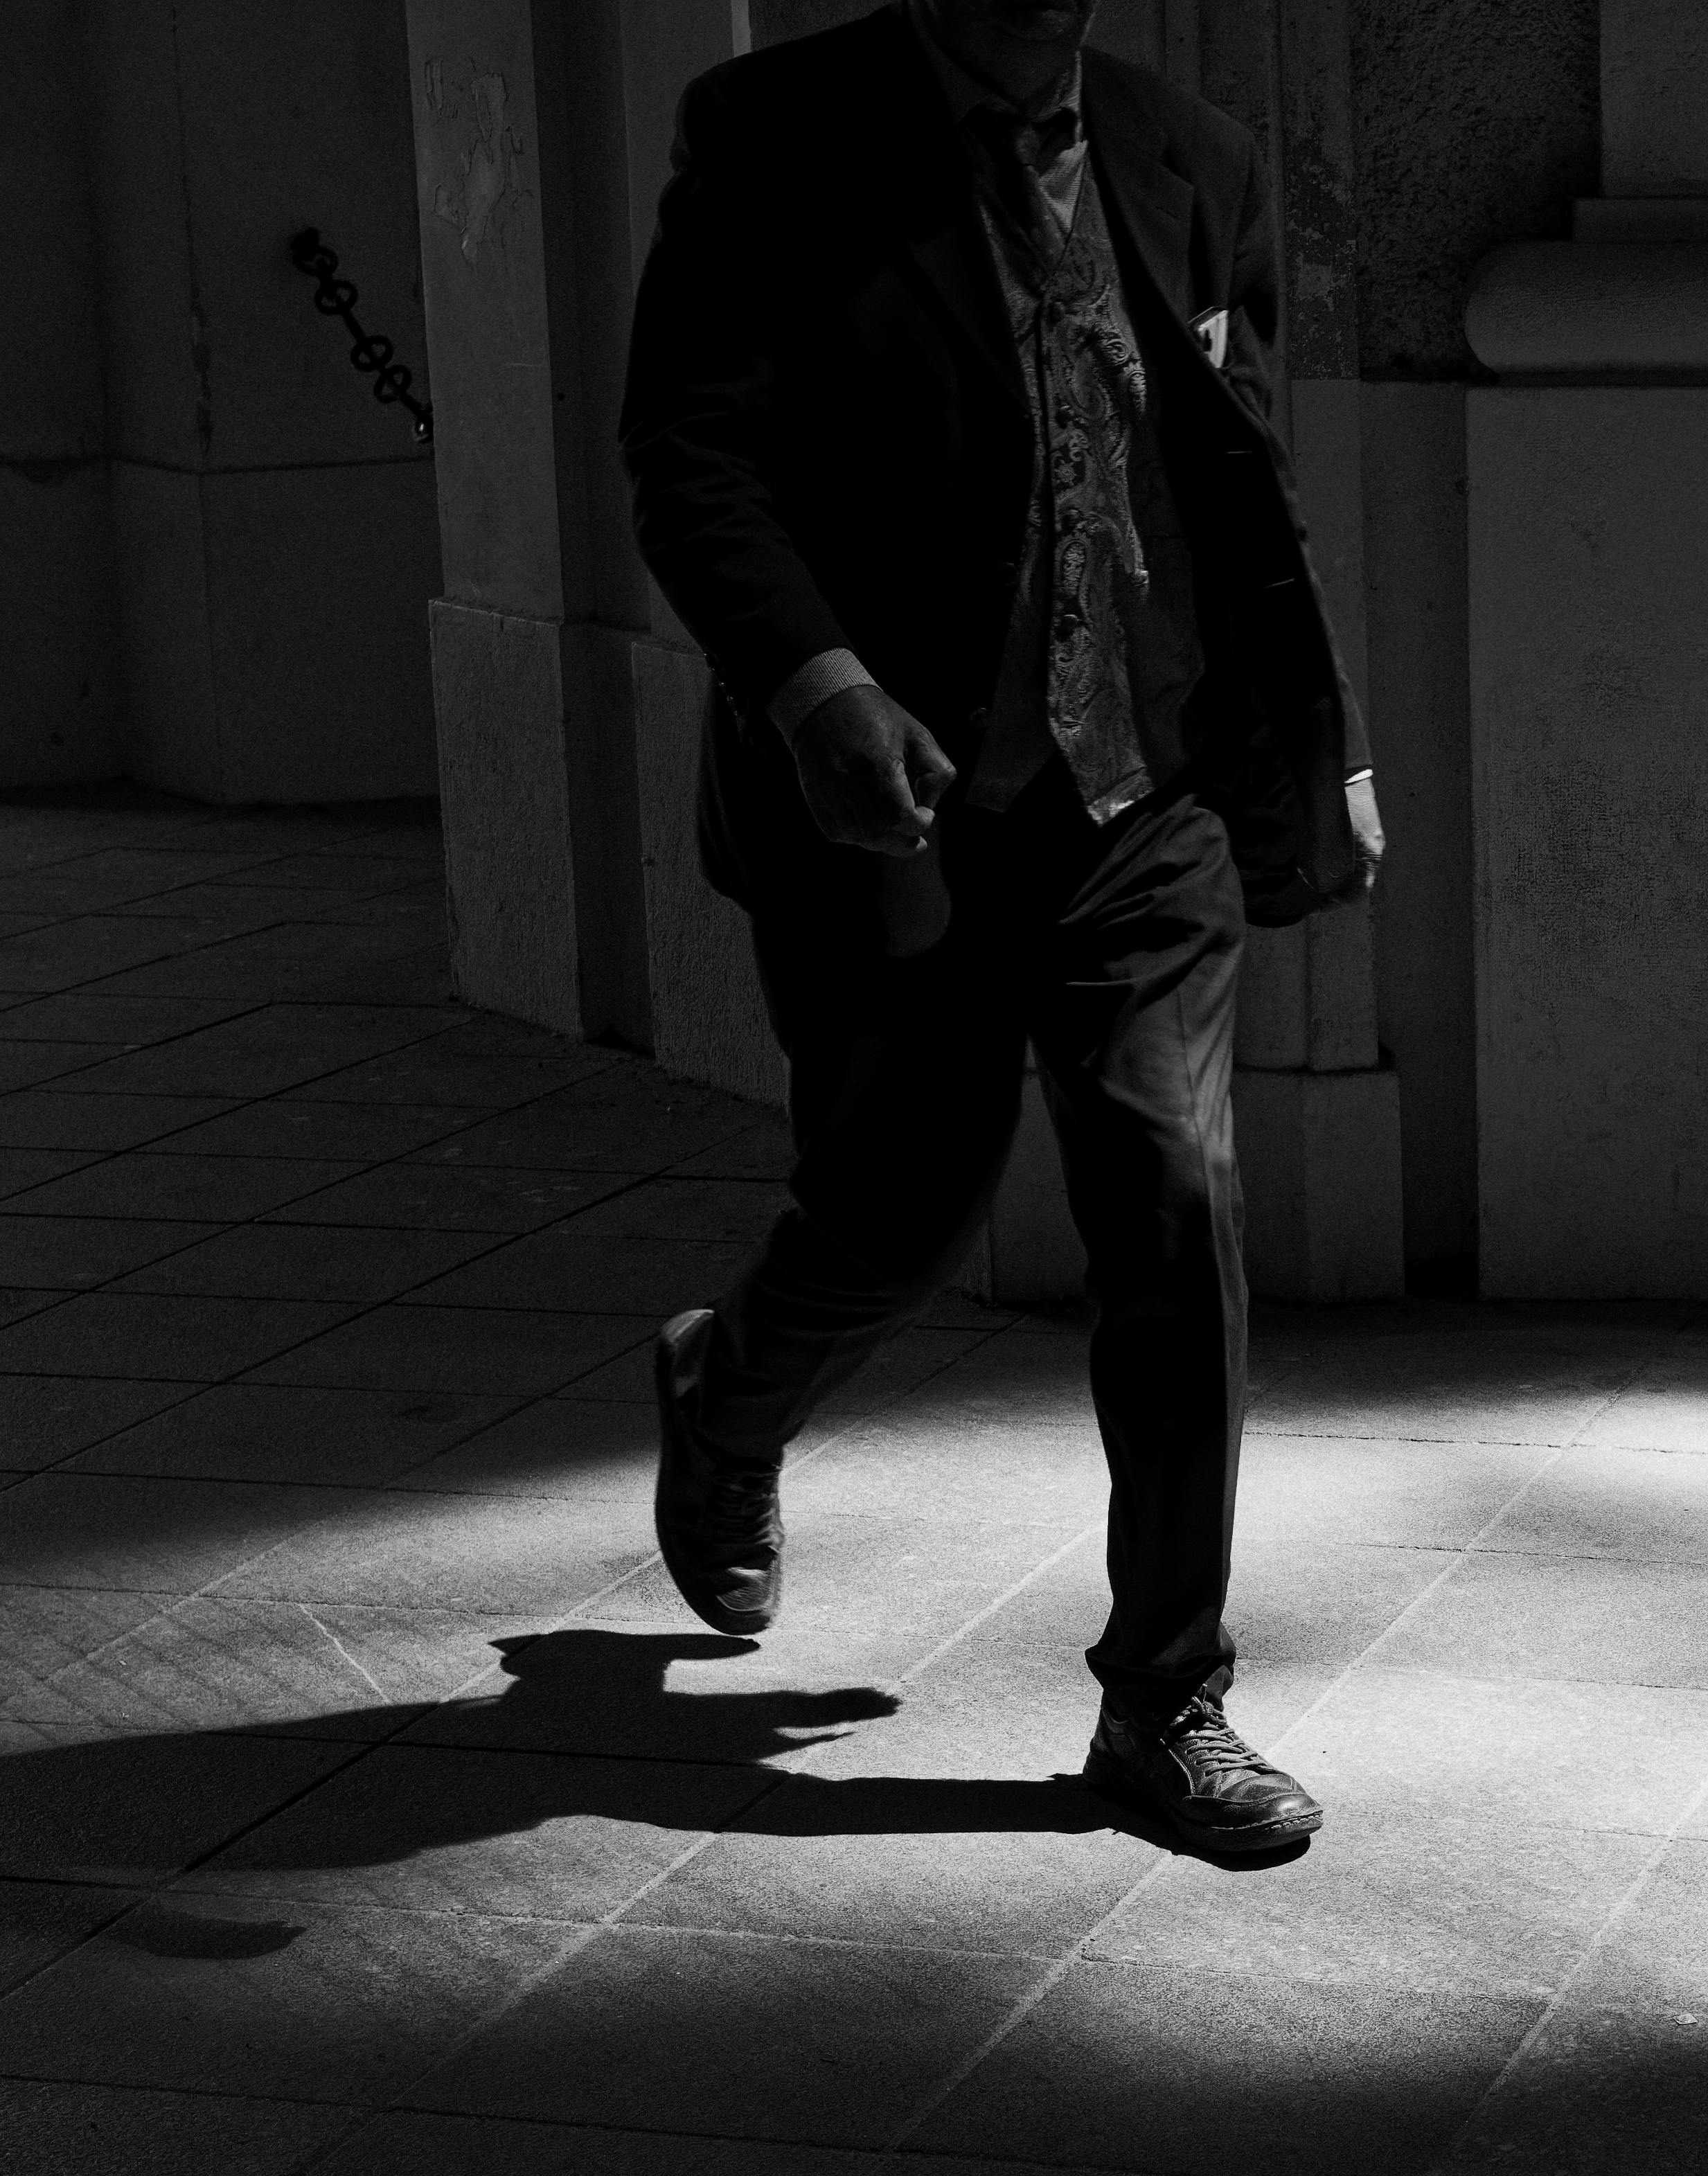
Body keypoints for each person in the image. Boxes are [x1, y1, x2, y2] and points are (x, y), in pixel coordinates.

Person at [618, 0, 1377, 1857]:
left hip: (1150, 793)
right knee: (898, 1201)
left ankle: (1165, 1702)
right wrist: (812, 688)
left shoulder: (1188, 152)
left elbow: (1229, 471)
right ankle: (732, 1392)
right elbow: (690, 452)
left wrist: (1300, 740)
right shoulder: (775, 136)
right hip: (891, 789)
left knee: (1174, 1193)